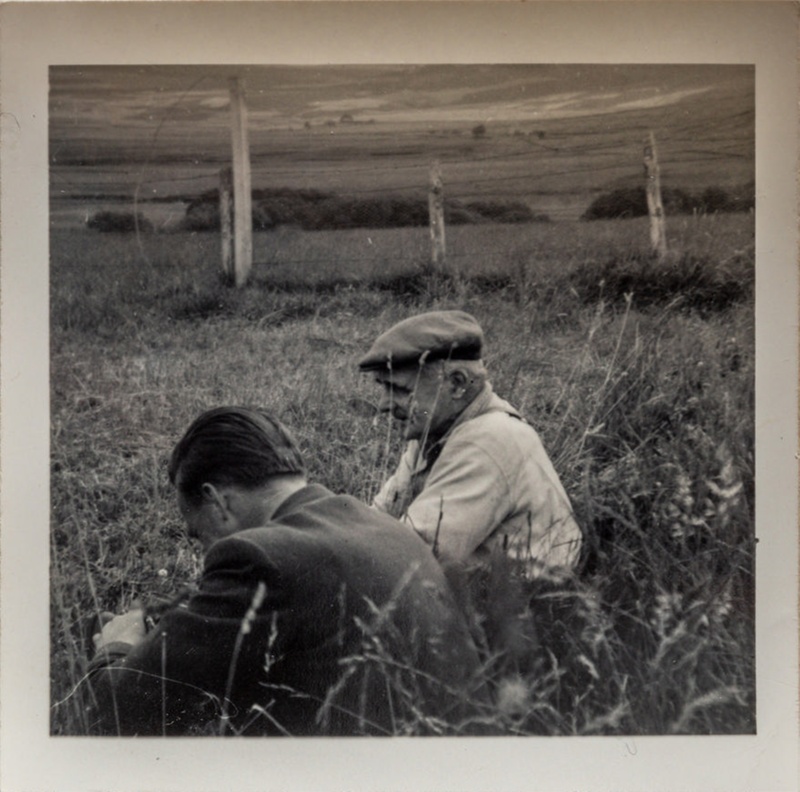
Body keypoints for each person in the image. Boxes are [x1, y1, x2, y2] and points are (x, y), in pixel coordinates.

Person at [86, 406, 489, 737]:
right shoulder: (383, 527)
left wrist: (116, 647)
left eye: (198, 535)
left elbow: (128, 710)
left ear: (216, 501)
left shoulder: (259, 556)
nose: (205, 549)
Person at [358, 310, 582, 588]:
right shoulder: (435, 431)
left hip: (524, 614)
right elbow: (379, 516)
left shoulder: (489, 439)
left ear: (457, 384)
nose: (383, 405)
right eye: (383, 388)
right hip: (484, 595)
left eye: (399, 390)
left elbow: (414, 557)